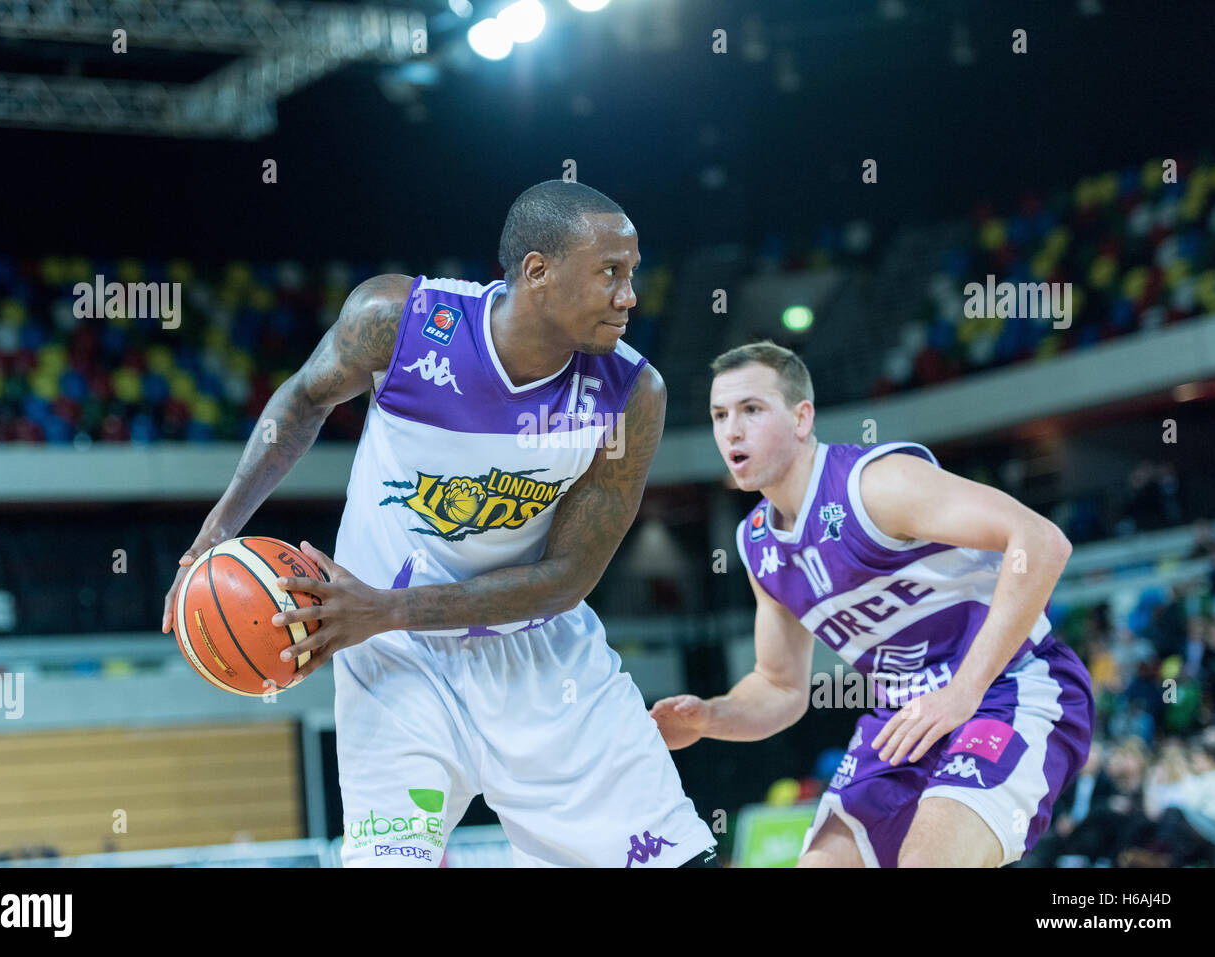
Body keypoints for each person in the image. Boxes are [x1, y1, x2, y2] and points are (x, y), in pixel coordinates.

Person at [161, 180, 716, 868]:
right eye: (611, 272)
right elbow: (302, 402)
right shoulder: (401, 318)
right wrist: (218, 527)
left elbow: (566, 578)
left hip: (538, 659)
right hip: (393, 662)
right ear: (538, 271)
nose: (630, 295)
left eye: (632, 274)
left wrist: (385, 608)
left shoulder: (632, 394)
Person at [650, 340, 1094, 867]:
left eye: (751, 409)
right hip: (906, 722)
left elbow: (1040, 541)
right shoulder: (759, 548)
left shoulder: (874, 486)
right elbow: (781, 687)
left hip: (1011, 689)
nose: (732, 431)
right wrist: (710, 717)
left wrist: (962, 690)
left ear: (801, 418)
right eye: (720, 415)